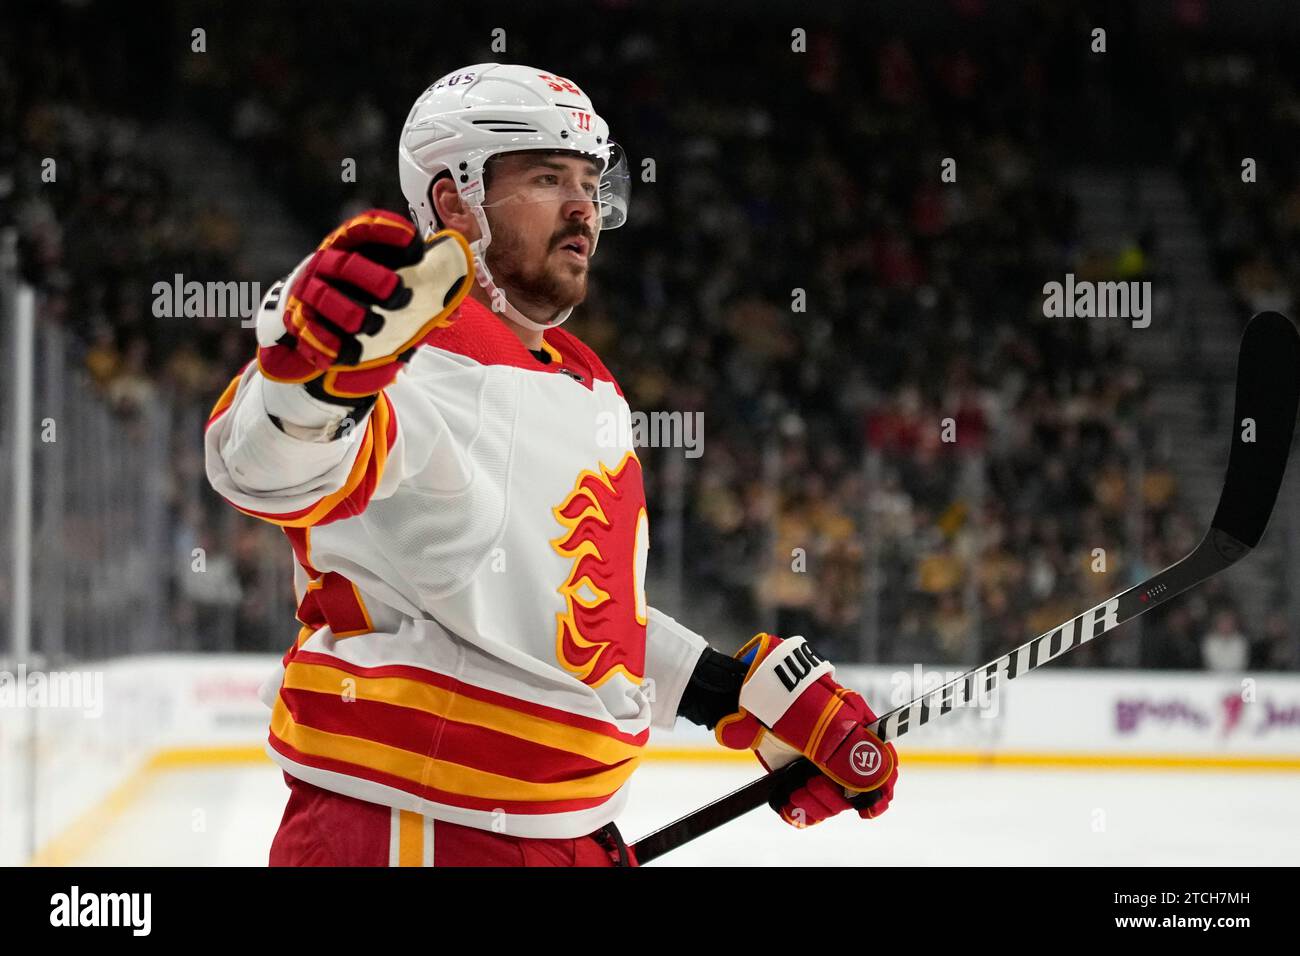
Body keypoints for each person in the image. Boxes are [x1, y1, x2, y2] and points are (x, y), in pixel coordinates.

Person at [205, 63, 897, 867]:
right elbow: (259, 470)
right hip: (415, 833)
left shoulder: (583, 378)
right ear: (453, 200)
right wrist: (315, 385)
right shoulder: (411, 351)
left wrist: (730, 693)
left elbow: (577, 604)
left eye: (589, 181)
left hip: (561, 830)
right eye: (545, 177)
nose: (584, 207)